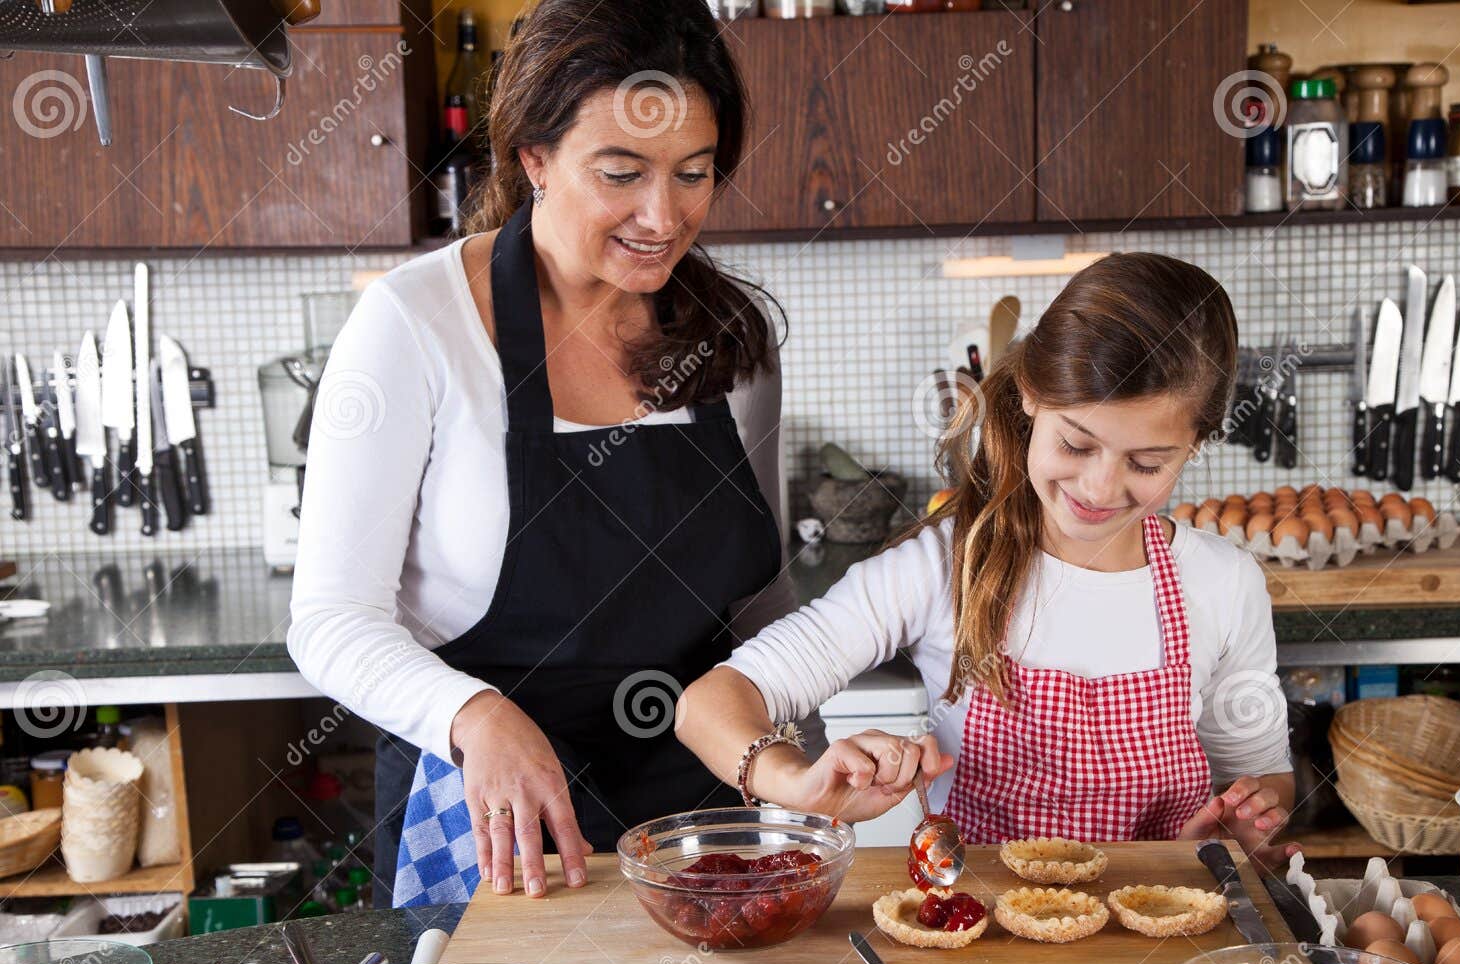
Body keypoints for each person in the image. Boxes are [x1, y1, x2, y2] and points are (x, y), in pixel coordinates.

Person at [288, 0, 836, 906]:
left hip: (703, 828)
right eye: (621, 173)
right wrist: (473, 713)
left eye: (693, 174)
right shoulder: (416, 323)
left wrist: (804, 783)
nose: (663, 216)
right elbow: (332, 619)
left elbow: (760, 603)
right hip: (496, 826)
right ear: (534, 158)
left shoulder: (727, 337)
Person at [676, 253, 1299, 865]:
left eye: (1147, 463)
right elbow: (710, 702)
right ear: (1031, 396)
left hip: (1156, 935)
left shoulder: (1224, 582)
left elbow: (1264, 778)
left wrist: (1241, 827)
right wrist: (793, 782)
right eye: (1076, 444)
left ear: (1196, 444)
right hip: (980, 942)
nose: (1101, 489)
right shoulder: (944, 567)